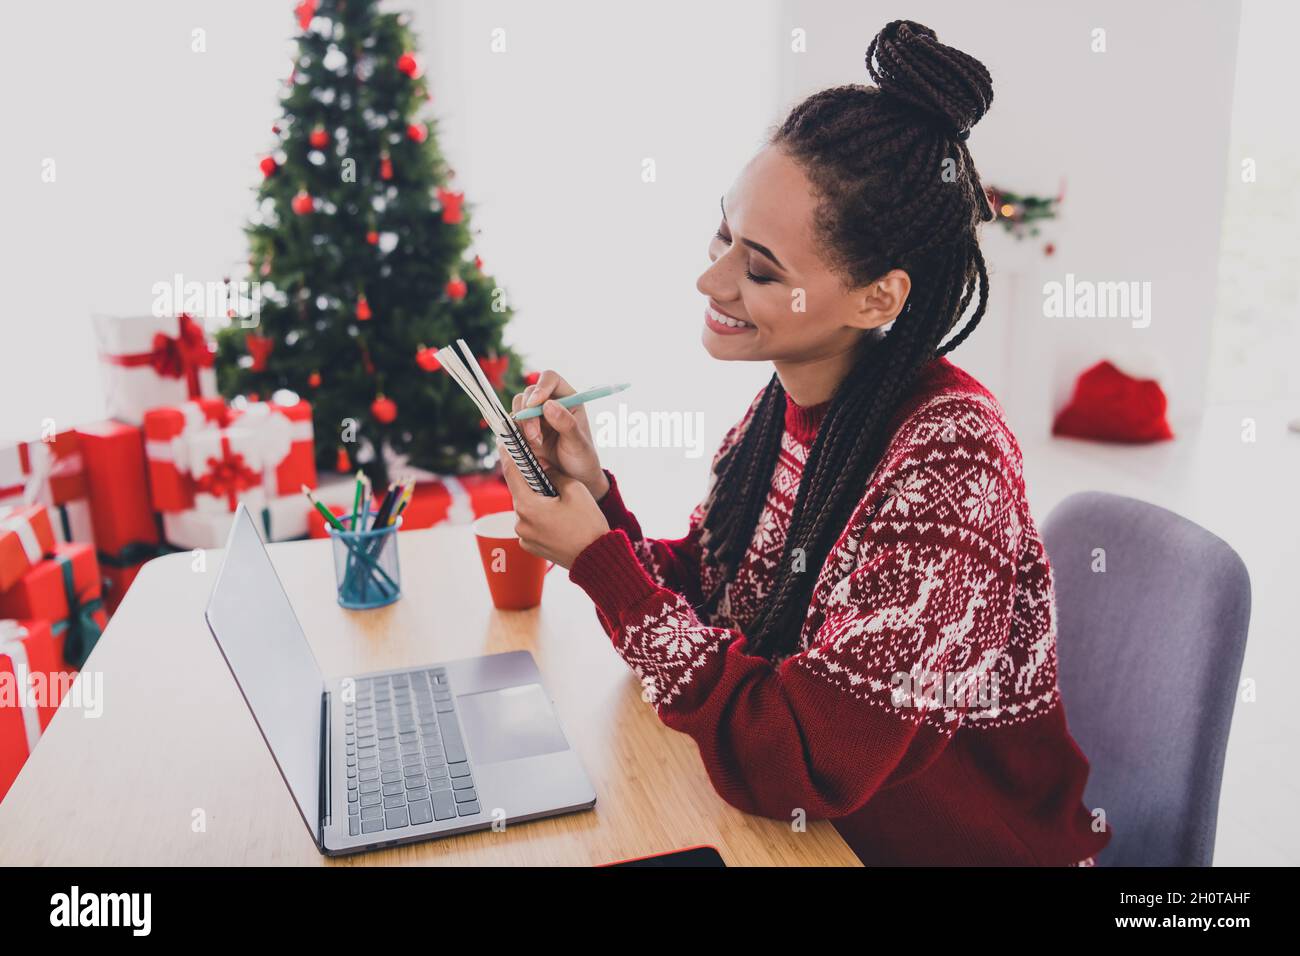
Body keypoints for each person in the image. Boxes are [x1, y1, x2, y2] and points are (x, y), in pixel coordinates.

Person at [495, 19, 1110, 866]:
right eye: (723, 235)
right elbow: (715, 611)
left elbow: (799, 760)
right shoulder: (786, 407)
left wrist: (601, 563)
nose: (710, 279)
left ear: (875, 298)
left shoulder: (951, 464)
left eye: (759, 269)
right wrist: (598, 504)